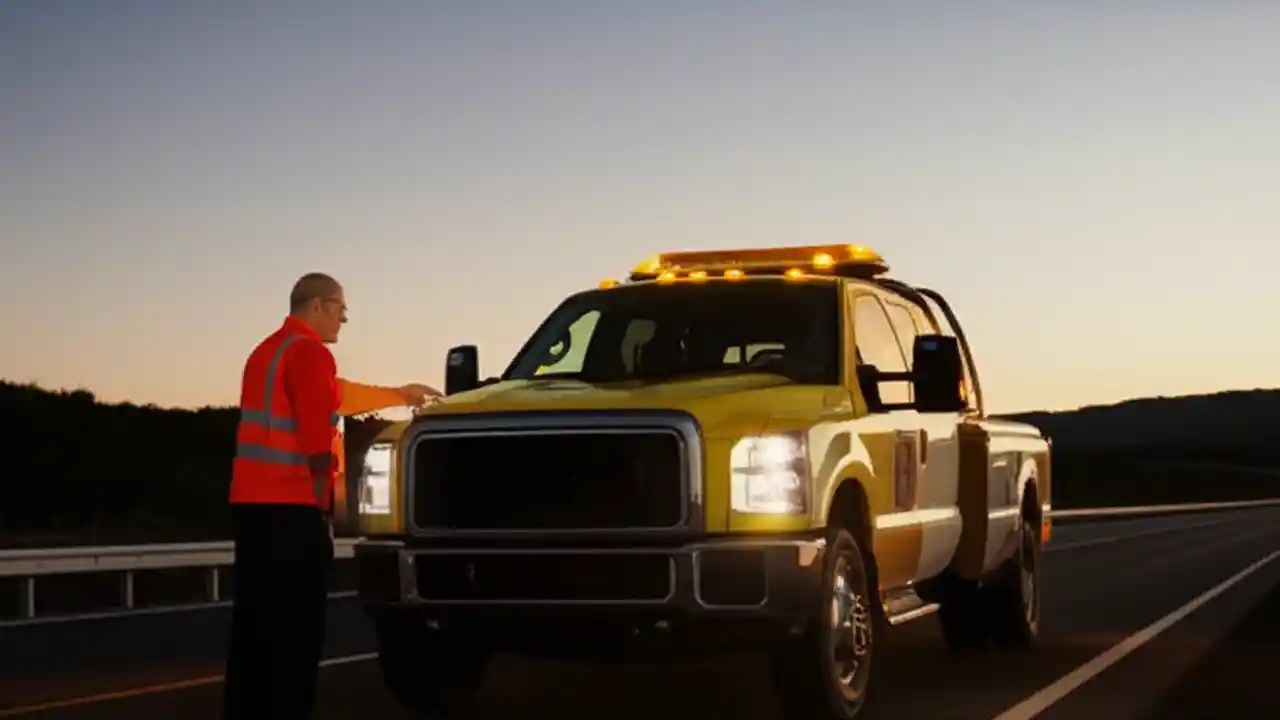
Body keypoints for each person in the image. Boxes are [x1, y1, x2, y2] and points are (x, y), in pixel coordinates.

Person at [222, 272, 439, 718]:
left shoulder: (267, 352)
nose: (344, 319)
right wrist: (331, 504)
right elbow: (318, 432)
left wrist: (401, 394)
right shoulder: (309, 352)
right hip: (293, 515)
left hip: (253, 510)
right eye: (341, 309)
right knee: (296, 636)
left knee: (254, 631)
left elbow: (338, 396)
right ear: (318, 305)